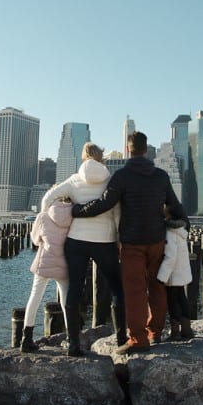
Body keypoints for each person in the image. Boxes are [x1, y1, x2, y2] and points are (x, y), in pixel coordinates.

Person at [73, 131, 188, 355]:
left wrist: (78, 211)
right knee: (157, 286)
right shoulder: (161, 176)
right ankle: (156, 332)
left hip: (132, 243)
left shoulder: (122, 176)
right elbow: (175, 205)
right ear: (146, 150)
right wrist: (186, 223)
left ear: (128, 149)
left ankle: (138, 339)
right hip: (156, 240)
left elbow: (104, 204)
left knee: (135, 291)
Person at [41, 142, 124, 356]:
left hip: (76, 240)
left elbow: (47, 198)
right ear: (101, 157)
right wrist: (118, 239)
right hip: (105, 241)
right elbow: (116, 212)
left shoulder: (74, 180)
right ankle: (122, 339)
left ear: (84, 157)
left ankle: (73, 343)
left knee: (74, 289)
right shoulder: (109, 180)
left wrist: (46, 223)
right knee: (116, 288)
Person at [19, 198, 72, 353]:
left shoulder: (43, 216)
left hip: (44, 263)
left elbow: (35, 240)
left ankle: (26, 339)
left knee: (34, 298)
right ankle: (70, 338)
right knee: (65, 301)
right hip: (63, 264)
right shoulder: (72, 216)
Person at [156, 214, 194, 341]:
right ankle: (187, 329)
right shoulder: (180, 232)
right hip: (181, 273)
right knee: (182, 299)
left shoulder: (169, 234)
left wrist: (161, 277)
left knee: (172, 303)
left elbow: (170, 258)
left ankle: (175, 332)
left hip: (172, 275)